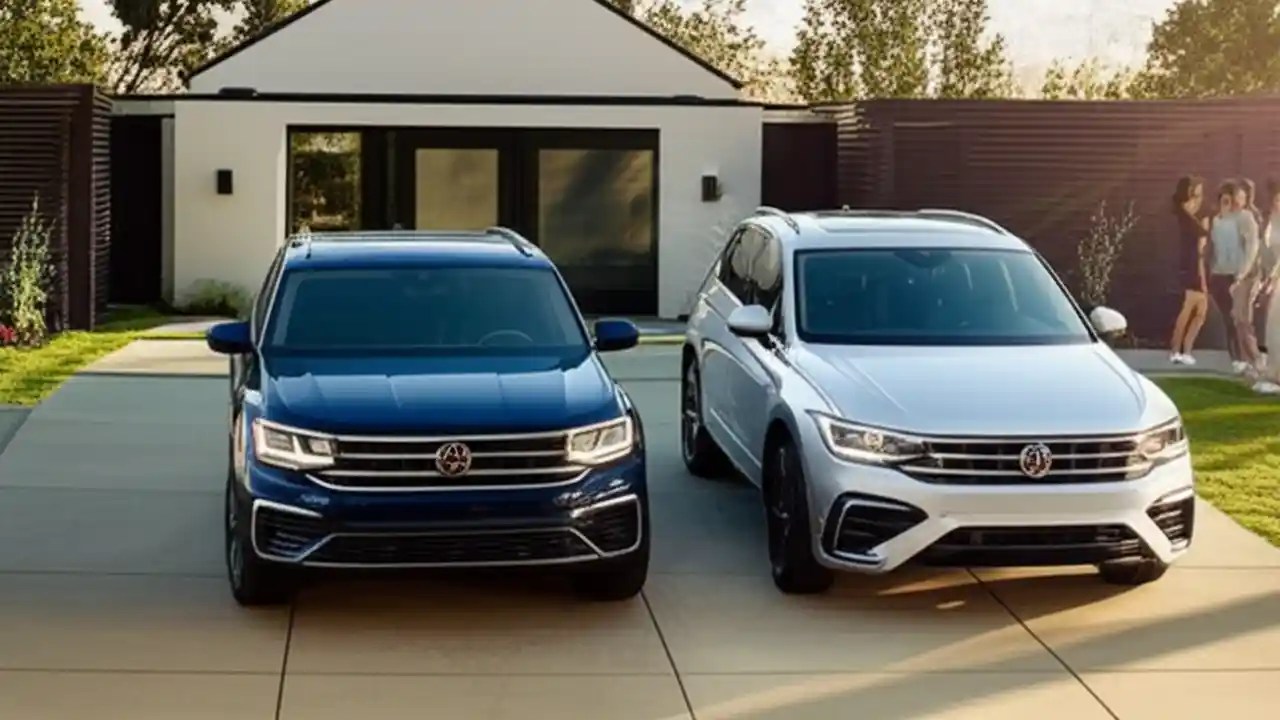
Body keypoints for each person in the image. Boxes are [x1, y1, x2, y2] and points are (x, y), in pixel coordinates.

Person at [1169, 176, 1208, 365]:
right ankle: (1178, 350)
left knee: (1199, 309)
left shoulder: (1188, 217)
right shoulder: (1183, 216)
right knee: (1191, 307)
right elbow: (1197, 241)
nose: (1199, 200)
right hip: (1191, 266)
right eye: (1196, 195)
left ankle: (1184, 350)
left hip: (1194, 265)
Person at [1206, 181, 1245, 369]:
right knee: (1228, 318)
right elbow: (1210, 249)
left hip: (1235, 276)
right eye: (1224, 202)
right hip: (1219, 276)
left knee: (1236, 318)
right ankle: (1236, 357)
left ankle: (1240, 356)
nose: (1227, 206)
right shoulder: (1214, 222)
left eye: (1231, 202)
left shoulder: (1240, 222)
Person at [1229, 179, 1263, 374]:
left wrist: (1241, 275)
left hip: (1248, 275)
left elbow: (1252, 249)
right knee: (1238, 317)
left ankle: (1255, 359)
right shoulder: (1236, 216)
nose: (1237, 199)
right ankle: (1246, 360)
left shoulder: (1248, 217)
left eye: (1242, 196)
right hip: (1239, 274)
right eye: (1236, 195)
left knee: (1243, 318)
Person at [1255, 180, 1280, 393]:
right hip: (1270, 279)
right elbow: (1263, 252)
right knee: (1272, 326)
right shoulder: (1268, 222)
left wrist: (1272, 278)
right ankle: (1274, 371)